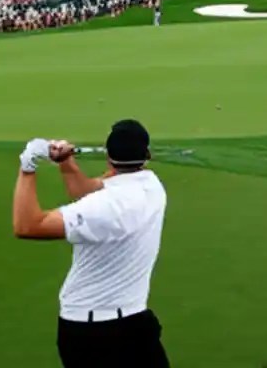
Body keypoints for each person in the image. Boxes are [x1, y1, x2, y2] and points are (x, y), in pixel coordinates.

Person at [12, 120, 170, 368]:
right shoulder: (153, 187)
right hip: (129, 324)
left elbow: (27, 225)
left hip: (88, 334)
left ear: (108, 158)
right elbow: (86, 192)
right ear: (147, 155)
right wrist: (66, 162)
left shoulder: (102, 207)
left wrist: (28, 165)